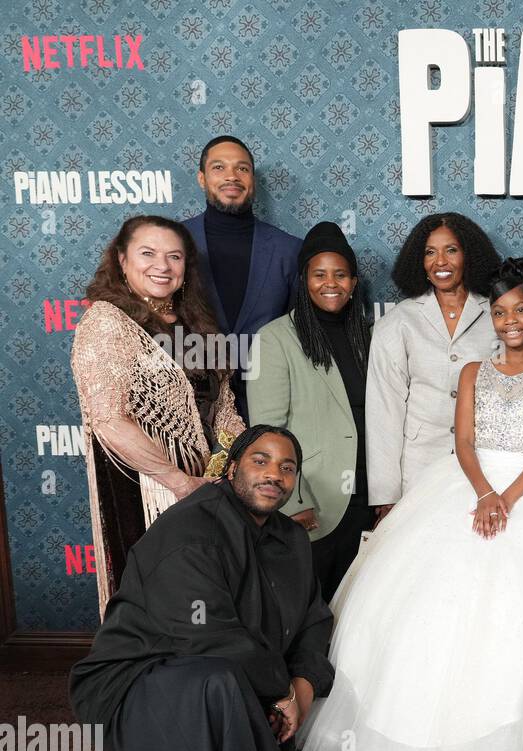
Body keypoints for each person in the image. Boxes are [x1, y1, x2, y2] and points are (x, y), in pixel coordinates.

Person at [296, 258, 523, 751]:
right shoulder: (473, 372)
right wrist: (484, 494)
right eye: (499, 312)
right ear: (490, 318)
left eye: (520, 310)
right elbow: (463, 442)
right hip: (468, 485)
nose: (510, 321)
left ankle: (517, 742)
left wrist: (509, 498)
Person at [68, 425, 334, 751]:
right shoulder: (191, 527)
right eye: (260, 461)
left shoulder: (291, 539)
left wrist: (300, 690)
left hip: (236, 675)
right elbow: (205, 633)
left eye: (286, 467)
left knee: (224, 685)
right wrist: (277, 689)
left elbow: (315, 622)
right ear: (231, 469)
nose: (273, 475)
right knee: (214, 685)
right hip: (139, 673)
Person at [71, 215, 245, 617]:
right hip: (144, 486)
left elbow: (223, 408)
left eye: (174, 256)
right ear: (121, 260)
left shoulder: (198, 324)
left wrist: (241, 461)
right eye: (147, 254)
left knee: (204, 596)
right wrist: (178, 482)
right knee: (156, 598)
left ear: (187, 268)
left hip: (205, 485)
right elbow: (108, 420)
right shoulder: (106, 322)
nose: (162, 266)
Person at [248, 221, 373, 600]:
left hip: (368, 497)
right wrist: (293, 500)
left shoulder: (370, 337)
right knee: (309, 607)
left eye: (340, 274)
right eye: (319, 274)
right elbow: (268, 432)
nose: (330, 283)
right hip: (314, 500)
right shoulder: (274, 339)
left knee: (358, 606)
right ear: (304, 280)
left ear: (353, 282)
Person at [366, 213, 501, 518]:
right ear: (419, 261)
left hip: (485, 470)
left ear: (469, 255)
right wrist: (386, 495)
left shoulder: (499, 315)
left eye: (451, 250)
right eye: (430, 252)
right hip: (418, 471)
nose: (441, 261)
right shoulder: (398, 322)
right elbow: (383, 412)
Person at [182, 135, 303, 422]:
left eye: (242, 168)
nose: (231, 176)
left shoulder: (289, 250)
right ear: (202, 178)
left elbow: (300, 335)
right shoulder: (173, 246)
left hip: (269, 405)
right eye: (219, 168)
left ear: (253, 180)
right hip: (192, 404)